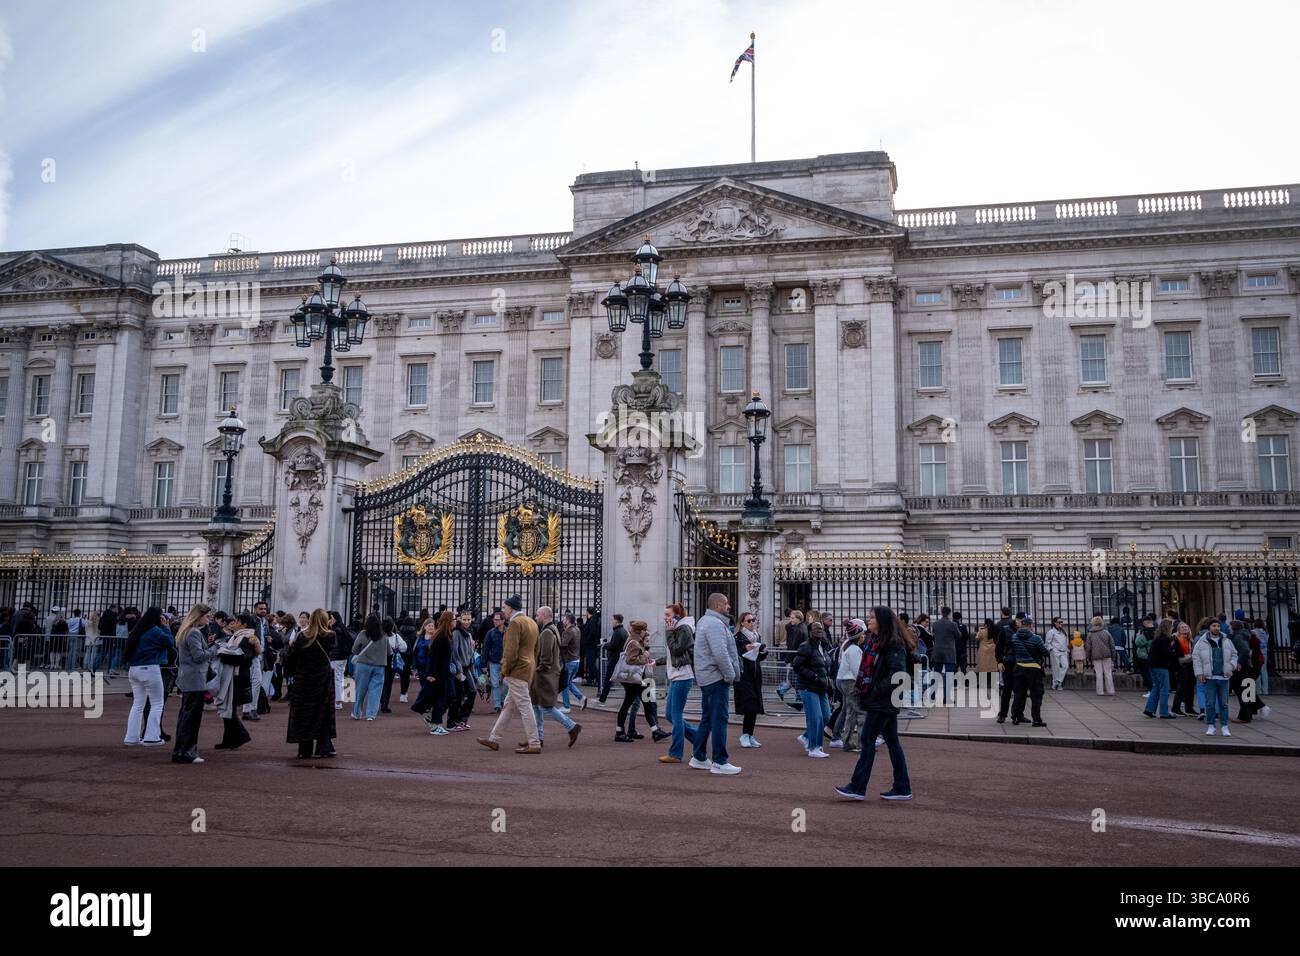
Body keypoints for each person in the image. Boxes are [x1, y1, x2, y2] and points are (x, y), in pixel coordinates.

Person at [835, 606, 913, 802]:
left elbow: (897, 676)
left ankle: (858, 786)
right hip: (880, 700)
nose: (868, 620)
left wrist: (875, 690)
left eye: (872, 617)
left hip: (883, 701)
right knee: (893, 743)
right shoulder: (876, 641)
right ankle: (902, 787)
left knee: (867, 740)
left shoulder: (893, 645)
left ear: (882, 621)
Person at [478, 594, 541, 754]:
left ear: (511, 608)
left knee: (525, 706)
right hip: (527, 667)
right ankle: (494, 739)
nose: (503, 610)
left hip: (517, 670)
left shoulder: (514, 624)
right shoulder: (531, 622)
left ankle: (534, 742)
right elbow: (536, 648)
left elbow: (510, 652)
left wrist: (504, 671)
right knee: (508, 707)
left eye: (505, 607)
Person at [689, 592, 743, 775]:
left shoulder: (707, 621)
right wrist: (730, 675)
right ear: (718, 605)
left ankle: (699, 756)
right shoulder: (714, 624)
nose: (729, 606)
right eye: (726, 603)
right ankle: (720, 761)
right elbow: (720, 654)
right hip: (716, 677)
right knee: (719, 719)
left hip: (708, 677)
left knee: (708, 718)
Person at [283, 608, 338, 758]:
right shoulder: (330, 635)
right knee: (323, 712)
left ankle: (304, 749)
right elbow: (332, 650)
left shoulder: (302, 636)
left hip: (304, 678)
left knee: (304, 713)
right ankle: (323, 747)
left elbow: (290, 656)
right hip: (322, 679)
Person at [172, 604, 221, 764]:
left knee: (186, 717)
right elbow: (199, 656)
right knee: (191, 719)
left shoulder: (187, 631)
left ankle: (181, 751)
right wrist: (215, 649)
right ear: (198, 616)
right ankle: (187, 752)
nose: (209, 619)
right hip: (195, 678)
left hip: (189, 677)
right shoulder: (193, 632)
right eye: (207, 616)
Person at [122, 607, 176, 747]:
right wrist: (166, 627)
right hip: (149, 668)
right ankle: (152, 736)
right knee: (157, 704)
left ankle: (131, 737)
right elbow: (170, 642)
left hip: (134, 669)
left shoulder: (138, 630)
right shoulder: (154, 631)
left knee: (138, 704)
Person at [529, 606, 581, 747]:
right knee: (535, 706)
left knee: (545, 707)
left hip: (544, 676)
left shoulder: (546, 632)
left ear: (545, 616)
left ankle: (571, 726)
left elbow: (545, 659)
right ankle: (537, 737)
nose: (536, 617)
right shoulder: (553, 630)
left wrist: (536, 671)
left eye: (538, 615)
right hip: (547, 674)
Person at [213, 613, 260, 750]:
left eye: (237, 621)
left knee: (229, 709)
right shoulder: (237, 636)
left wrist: (223, 654)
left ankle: (240, 735)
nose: (234, 623)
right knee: (228, 709)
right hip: (233, 675)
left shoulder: (246, 638)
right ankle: (229, 739)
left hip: (237, 676)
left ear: (244, 624)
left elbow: (243, 657)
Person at [659, 603, 696, 764]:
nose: (665, 618)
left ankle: (675, 753)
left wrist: (669, 632)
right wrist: (657, 661)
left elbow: (676, 650)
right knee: (669, 715)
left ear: (676, 616)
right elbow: (671, 655)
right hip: (676, 675)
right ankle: (698, 737)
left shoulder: (684, 629)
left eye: (668, 615)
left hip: (683, 675)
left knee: (676, 715)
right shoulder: (677, 629)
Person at [793, 612, 832, 757]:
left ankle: (807, 738)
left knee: (827, 717)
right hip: (809, 687)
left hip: (822, 686)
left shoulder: (823, 646)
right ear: (810, 632)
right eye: (816, 629)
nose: (819, 631)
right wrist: (814, 677)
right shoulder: (806, 646)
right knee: (816, 718)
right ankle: (814, 748)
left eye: (820, 629)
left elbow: (826, 664)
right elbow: (797, 666)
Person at [611, 619, 654, 742]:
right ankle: (621, 732)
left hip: (631, 677)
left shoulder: (634, 640)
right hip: (631, 678)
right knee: (631, 704)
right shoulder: (634, 642)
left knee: (638, 703)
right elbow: (631, 660)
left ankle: (653, 730)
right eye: (645, 630)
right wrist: (644, 657)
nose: (646, 632)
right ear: (641, 631)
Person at [1194, 619, 1238, 737]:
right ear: (1209, 627)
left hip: (1224, 677)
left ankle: (1224, 726)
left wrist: (1231, 666)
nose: (1216, 628)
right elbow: (1196, 658)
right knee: (1210, 703)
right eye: (1214, 626)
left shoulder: (1227, 641)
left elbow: (1234, 654)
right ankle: (1211, 726)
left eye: (1218, 626)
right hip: (1209, 677)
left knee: (1224, 703)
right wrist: (1199, 673)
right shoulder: (1202, 642)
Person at [413, 612, 454, 735]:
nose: (455, 622)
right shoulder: (440, 636)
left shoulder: (444, 635)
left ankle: (432, 718)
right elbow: (433, 657)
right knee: (440, 699)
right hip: (438, 673)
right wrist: (431, 673)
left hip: (444, 672)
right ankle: (436, 724)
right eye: (453, 619)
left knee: (450, 696)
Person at [830, 618, 867, 751]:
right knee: (862, 712)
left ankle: (847, 741)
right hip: (850, 682)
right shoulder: (854, 650)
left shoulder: (849, 647)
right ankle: (864, 744)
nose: (864, 636)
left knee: (851, 712)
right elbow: (857, 670)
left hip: (844, 681)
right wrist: (863, 685)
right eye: (862, 634)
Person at [733, 610, 767, 749]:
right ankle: (744, 735)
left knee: (754, 706)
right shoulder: (738, 637)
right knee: (749, 704)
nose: (752, 623)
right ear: (742, 622)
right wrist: (746, 648)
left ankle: (749, 734)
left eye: (753, 620)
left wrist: (763, 654)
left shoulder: (756, 636)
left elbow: (757, 657)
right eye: (749, 620)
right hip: (743, 675)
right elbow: (738, 653)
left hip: (755, 674)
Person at [1007, 615, 1048, 727]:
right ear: (1030, 625)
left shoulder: (1015, 637)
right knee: (1036, 694)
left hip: (1019, 667)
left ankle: (1016, 716)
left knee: (1019, 693)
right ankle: (1036, 719)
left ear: (1022, 625)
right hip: (1033, 669)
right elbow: (1045, 653)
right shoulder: (1036, 638)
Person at [350, 613, 389, 721]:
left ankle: (356, 713)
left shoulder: (363, 634)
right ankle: (371, 714)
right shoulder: (384, 637)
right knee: (375, 691)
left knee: (360, 690)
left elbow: (354, 649)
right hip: (379, 666)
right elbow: (389, 652)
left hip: (363, 665)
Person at [447, 608, 478, 731]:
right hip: (460, 669)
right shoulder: (457, 633)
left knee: (471, 692)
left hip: (467, 668)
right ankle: (453, 721)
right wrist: (459, 671)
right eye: (464, 619)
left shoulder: (468, 633)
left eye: (468, 619)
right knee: (459, 696)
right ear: (459, 619)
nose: (466, 622)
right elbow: (455, 653)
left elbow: (470, 653)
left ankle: (461, 719)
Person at [1143, 618, 1178, 719]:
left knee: (1156, 687)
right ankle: (1164, 712)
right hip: (1160, 666)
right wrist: (1174, 651)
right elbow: (1167, 653)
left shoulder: (1158, 637)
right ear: (1168, 627)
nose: (1172, 628)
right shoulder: (1165, 638)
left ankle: (1149, 709)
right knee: (1164, 689)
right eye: (1171, 626)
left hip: (1152, 665)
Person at [930, 607, 960, 702]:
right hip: (949, 653)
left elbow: (933, 635)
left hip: (937, 652)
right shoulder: (953, 624)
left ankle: (932, 696)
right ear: (949, 613)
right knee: (948, 676)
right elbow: (959, 636)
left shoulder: (935, 624)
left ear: (941, 612)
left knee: (936, 675)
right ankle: (946, 698)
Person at [558, 612, 586, 712]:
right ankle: (581, 697)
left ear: (568, 620)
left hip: (569, 661)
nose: (563, 621)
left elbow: (563, 645)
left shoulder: (568, 631)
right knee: (569, 683)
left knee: (564, 684)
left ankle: (566, 706)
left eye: (564, 619)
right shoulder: (577, 629)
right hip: (576, 660)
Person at [598, 614, 628, 704]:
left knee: (608, 680)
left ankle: (602, 700)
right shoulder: (622, 631)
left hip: (615, 660)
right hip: (617, 659)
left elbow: (613, 645)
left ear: (616, 621)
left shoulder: (618, 632)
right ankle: (602, 699)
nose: (612, 622)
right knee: (620, 680)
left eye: (613, 620)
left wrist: (605, 645)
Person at [1171, 621, 1199, 717]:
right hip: (1182, 665)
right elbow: (1176, 653)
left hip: (1190, 664)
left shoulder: (1190, 639)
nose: (1185, 628)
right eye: (1182, 627)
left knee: (1190, 686)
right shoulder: (1176, 638)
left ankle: (1189, 707)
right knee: (1182, 687)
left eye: (1186, 627)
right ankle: (1176, 708)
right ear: (1178, 629)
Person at [380, 617, 407, 714]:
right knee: (388, 683)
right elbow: (404, 648)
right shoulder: (396, 637)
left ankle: (379, 700)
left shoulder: (380, 636)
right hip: (391, 661)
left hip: (380, 661)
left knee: (379, 683)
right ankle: (385, 703)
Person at [481, 608, 505, 712]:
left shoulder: (509, 631)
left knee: (506, 684)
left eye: (497, 620)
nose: (495, 621)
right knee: (495, 684)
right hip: (494, 661)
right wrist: (484, 665)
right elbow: (485, 649)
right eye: (494, 620)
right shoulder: (490, 633)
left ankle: (502, 701)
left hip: (506, 662)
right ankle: (497, 705)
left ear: (503, 620)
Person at [1085, 615, 1116, 695]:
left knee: (1099, 673)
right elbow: (1112, 645)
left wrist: (1087, 657)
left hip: (1096, 655)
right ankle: (1111, 691)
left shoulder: (1090, 634)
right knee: (1108, 673)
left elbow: (1088, 647)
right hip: (1107, 655)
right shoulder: (1106, 633)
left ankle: (1100, 691)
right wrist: (1113, 655)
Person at [327, 610, 351, 709]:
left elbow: (334, 645)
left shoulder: (335, 630)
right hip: (343, 657)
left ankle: (338, 701)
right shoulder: (342, 628)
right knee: (340, 677)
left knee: (336, 679)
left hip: (336, 657)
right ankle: (342, 698)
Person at [396, 611, 419, 704]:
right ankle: (404, 693)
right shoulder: (415, 633)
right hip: (410, 655)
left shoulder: (399, 632)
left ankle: (403, 693)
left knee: (403, 674)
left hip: (402, 654)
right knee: (406, 675)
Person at [1044, 617, 1070, 691]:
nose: (1061, 623)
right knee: (1056, 668)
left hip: (1063, 651)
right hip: (1055, 651)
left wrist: (1067, 649)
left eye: (1062, 622)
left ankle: (1058, 681)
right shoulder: (1051, 632)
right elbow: (1047, 643)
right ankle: (1057, 684)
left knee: (1065, 666)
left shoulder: (1064, 632)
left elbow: (1066, 641)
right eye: (1059, 622)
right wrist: (1051, 649)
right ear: (1055, 623)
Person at [579, 606, 601, 685]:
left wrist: (586, 641)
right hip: (590, 645)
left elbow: (592, 633)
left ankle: (599, 680)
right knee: (591, 664)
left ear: (587, 612)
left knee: (591, 664)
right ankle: (590, 680)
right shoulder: (591, 620)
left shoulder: (592, 621)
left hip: (590, 646)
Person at [1133, 615, 1155, 692]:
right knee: (1151, 674)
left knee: (1146, 674)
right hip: (1153, 655)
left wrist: (1138, 636)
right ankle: (1152, 690)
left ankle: (1151, 690)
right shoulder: (1156, 631)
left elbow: (1138, 643)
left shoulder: (1146, 632)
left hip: (1144, 655)